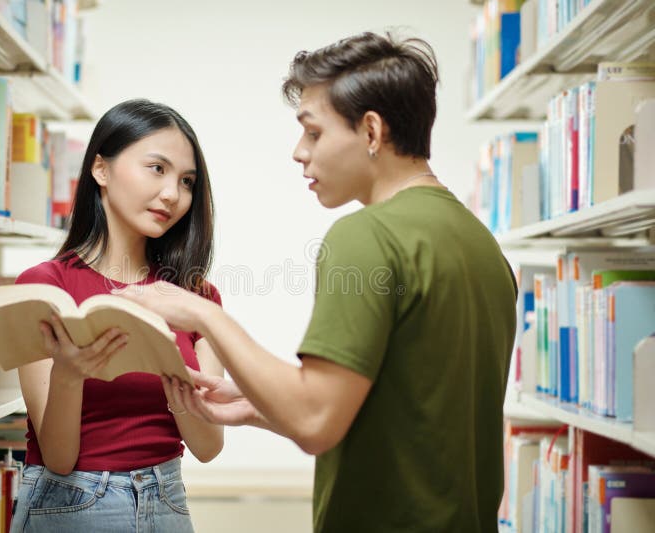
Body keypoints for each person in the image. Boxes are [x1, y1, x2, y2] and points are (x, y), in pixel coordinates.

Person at [118, 32, 518, 532]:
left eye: (313, 132)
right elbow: (400, 415)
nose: (298, 153)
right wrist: (255, 408)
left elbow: (313, 422)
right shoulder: (480, 244)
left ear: (371, 132)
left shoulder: (367, 236)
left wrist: (205, 315)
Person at [9, 99, 223, 533]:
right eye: (157, 169)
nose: (172, 194)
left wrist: (166, 361)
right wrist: (70, 375)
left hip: (166, 500)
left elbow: (207, 445)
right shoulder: (43, 286)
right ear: (101, 169)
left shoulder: (195, 297)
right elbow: (59, 457)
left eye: (186, 181)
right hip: (71, 504)